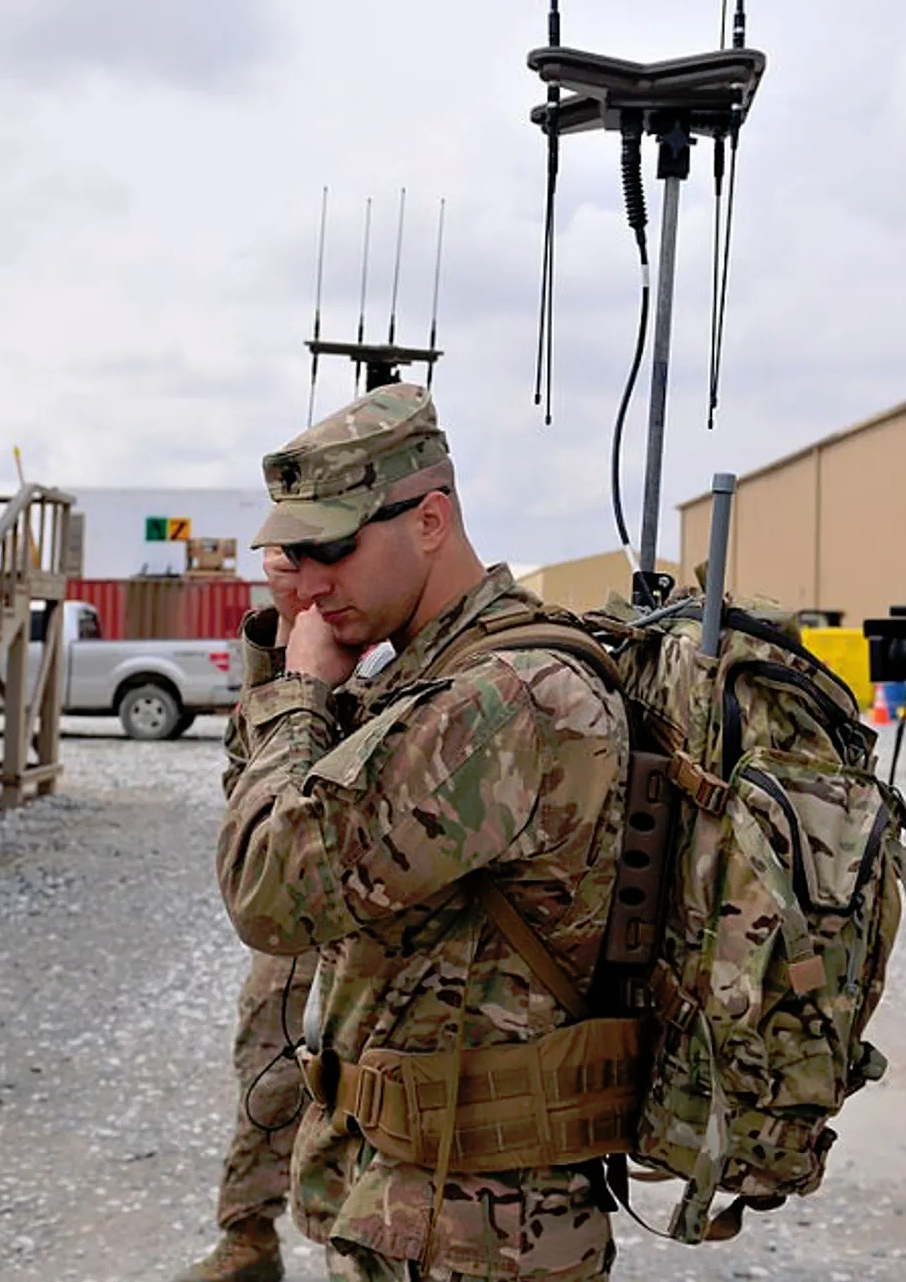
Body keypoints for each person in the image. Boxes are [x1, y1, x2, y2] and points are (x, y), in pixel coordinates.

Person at [216, 383, 632, 1282]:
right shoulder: (427, 678)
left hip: (478, 1226)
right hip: (421, 1201)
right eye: (294, 554)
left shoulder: (500, 701)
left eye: (333, 548)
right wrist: (286, 654)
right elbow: (261, 803)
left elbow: (268, 888)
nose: (310, 581)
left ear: (431, 519)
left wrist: (301, 692)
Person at [175, 553, 318, 1282]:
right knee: (267, 1052)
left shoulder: (403, 629)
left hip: (386, 888)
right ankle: (248, 1229)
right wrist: (282, 646)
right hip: (305, 897)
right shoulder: (304, 636)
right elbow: (246, 780)